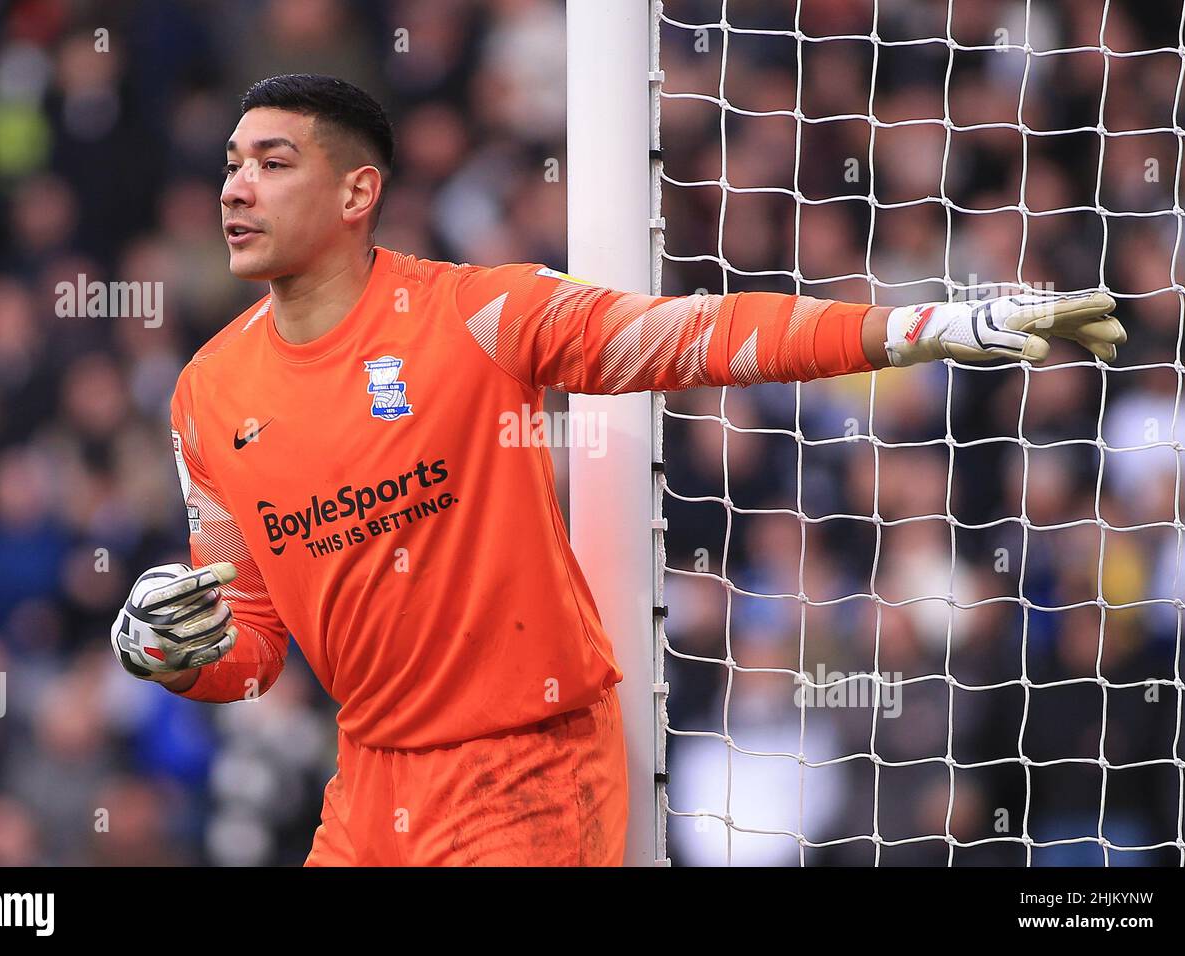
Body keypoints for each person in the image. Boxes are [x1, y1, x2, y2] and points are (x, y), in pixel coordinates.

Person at [109, 73, 1126, 866]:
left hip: (528, 768)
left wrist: (932, 323)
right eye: (233, 163)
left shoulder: (478, 313)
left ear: (356, 191)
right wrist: (163, 647)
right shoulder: (207, 391)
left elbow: (699, 333)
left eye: (271, 163)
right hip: (370, 776)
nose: (234, 186)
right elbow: (247, 646)